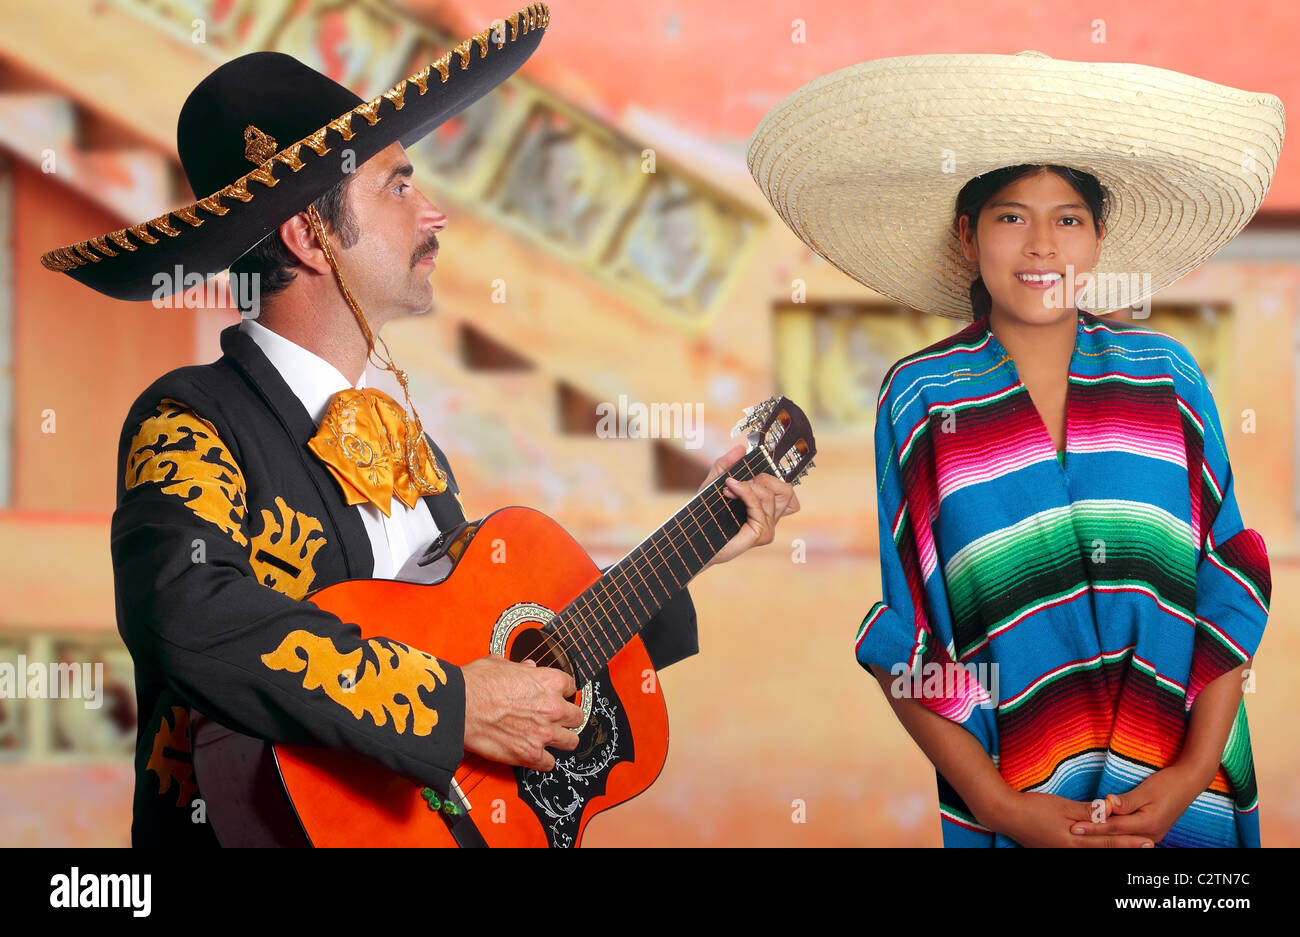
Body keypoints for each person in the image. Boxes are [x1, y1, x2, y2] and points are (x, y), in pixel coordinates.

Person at [41, 5, 799, 846]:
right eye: (398, 185)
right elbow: (186, 612)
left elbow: (505, 659)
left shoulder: (413, 447)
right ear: (309, 233)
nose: (434, 213)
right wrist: (450, 704)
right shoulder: (188, 418)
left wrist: (693, 545)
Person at [746, 51, 1281, 846]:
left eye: (1067, 218)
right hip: (1023, 797)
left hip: (1181, 797)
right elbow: (910, 640)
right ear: (967, 235)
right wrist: (998, 807)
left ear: (1099, 238)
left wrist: (1191, 773)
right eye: (1009, 216)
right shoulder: (922, 397)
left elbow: (1228, 584)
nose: (1040, 245)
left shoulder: (1166, 377)